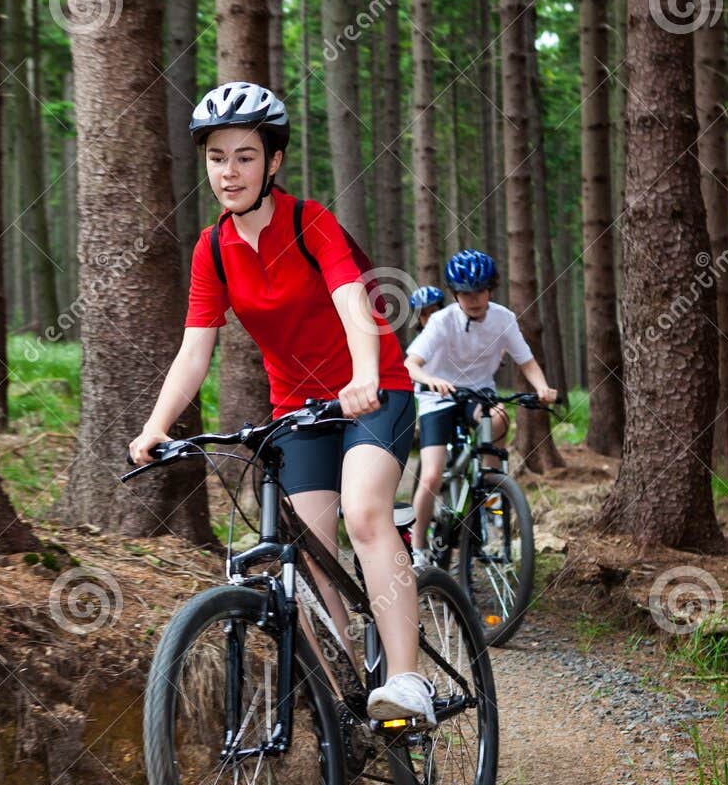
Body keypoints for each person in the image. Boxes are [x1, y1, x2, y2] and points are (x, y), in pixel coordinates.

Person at [127, 81, 436, 724]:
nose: (229, 171)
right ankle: (344, 708)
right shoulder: (212, 249)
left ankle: (408, 681)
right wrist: (157, 426)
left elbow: (353, 301)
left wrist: (364, 375)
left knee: (365, 514)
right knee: (310, 557)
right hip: (297, 407)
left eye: (245, 156)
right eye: (217, 157)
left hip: (374, 388)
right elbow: (195, 350)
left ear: (273, 161)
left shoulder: (308, 221)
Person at [402, 249, 557, 569]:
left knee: (499, 417)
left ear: (491, 289)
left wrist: (542, 387)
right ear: (454, 295)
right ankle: (417, 549)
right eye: (465, 293)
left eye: (480, 291)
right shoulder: (442, 321)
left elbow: (526, 361)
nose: (473, 299)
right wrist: (430, 379)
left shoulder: (503, 318)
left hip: (478, 393)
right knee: (431, 474)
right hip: (438, 396)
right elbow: (411, 364)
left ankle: (490, 489)